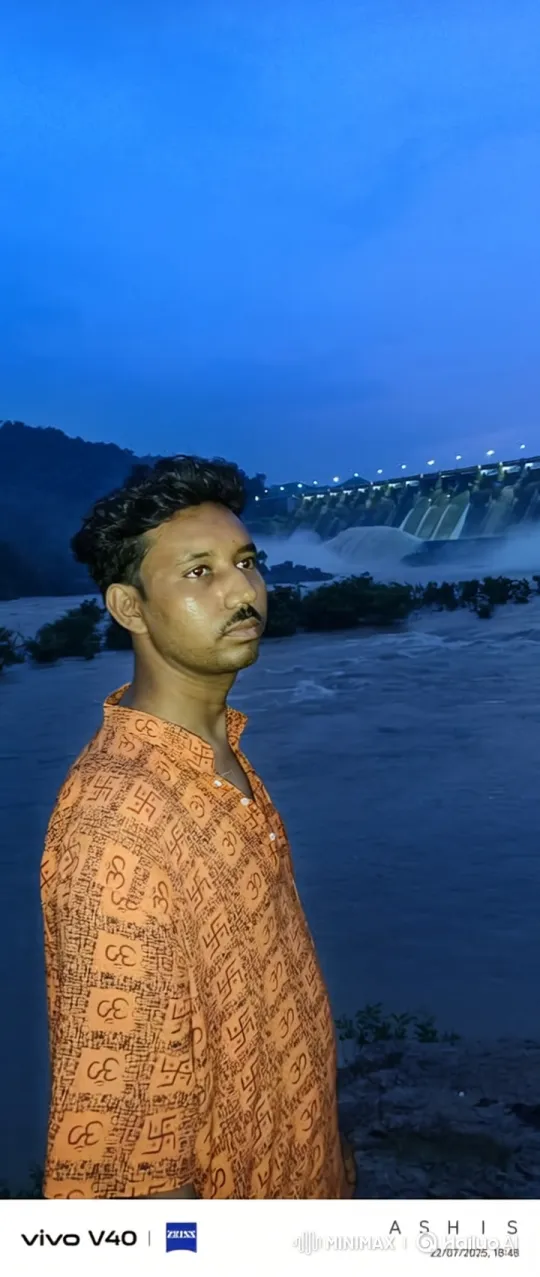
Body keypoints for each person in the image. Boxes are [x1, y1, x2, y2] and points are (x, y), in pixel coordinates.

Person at [40, 454, 356, 1200]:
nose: (244, 589)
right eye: (200, 572)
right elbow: (118, 1159)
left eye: (247, 561)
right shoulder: (115, 822)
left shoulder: (223, 757)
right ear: (129, 607)